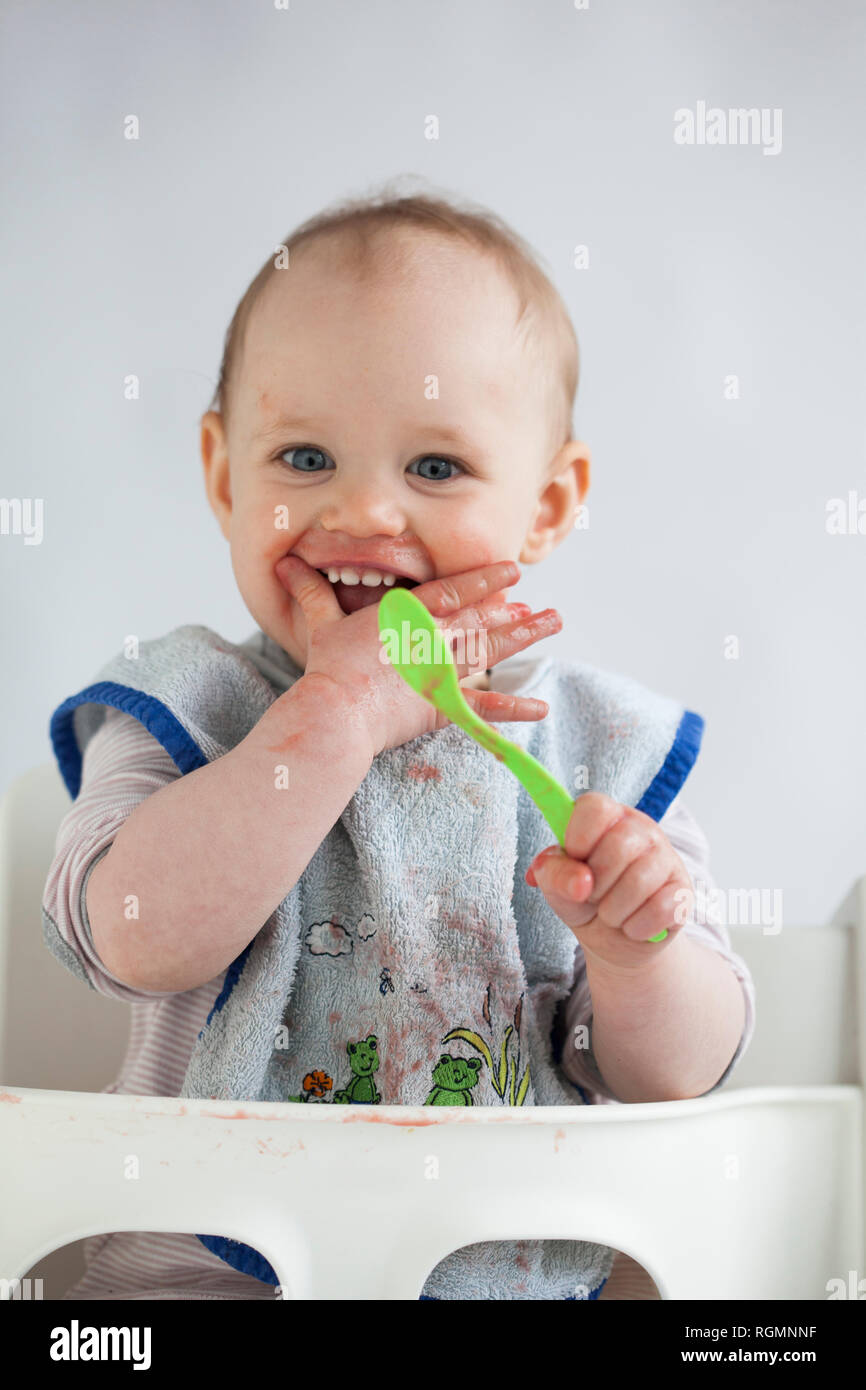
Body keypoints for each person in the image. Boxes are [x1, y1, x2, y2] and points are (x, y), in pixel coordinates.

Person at [43, 182, 755, 1300]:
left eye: (433, 468)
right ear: (226, 473)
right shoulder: (188, 705)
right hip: (208, 1276)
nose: (366, 513)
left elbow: (677, 1074)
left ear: (549, 500)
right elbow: (129, 936)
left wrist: (634, 953)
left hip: (506, 1272)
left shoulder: (593, 748)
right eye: (305, 458)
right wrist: (332, 717)